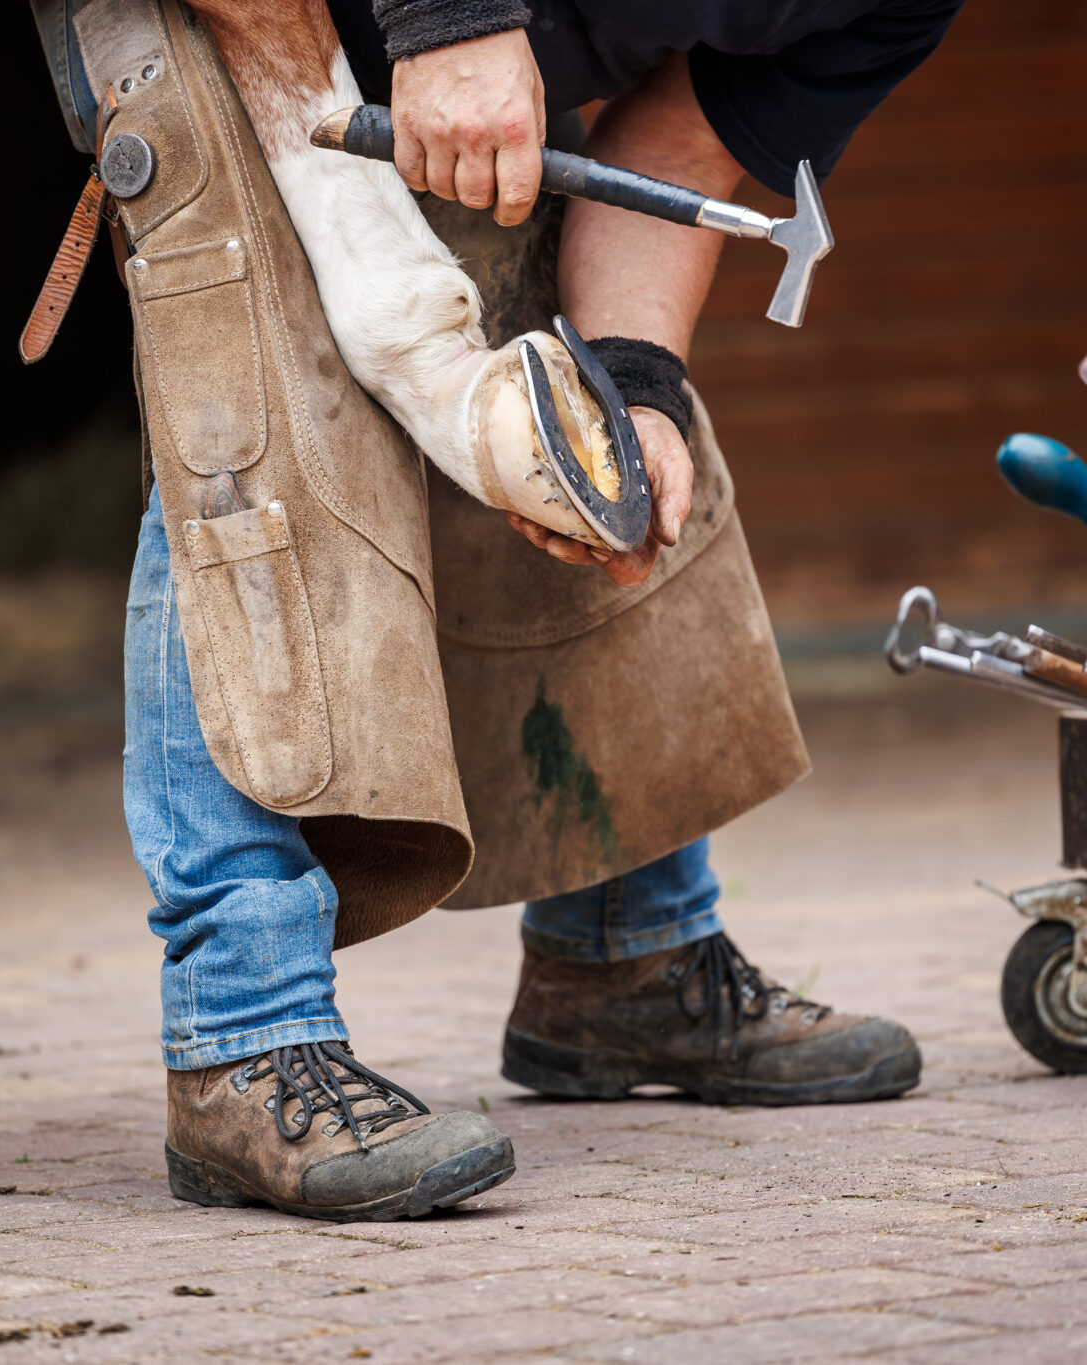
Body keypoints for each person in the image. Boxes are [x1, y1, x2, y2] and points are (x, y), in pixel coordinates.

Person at [128, 0, 964, 1223]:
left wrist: (634, 387)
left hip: (467, 45)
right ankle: (241, 1034)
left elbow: (668, 156)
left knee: (577, 411)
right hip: (239, 17)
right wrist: (444, 18)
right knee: (248, 413)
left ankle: (623, 956)